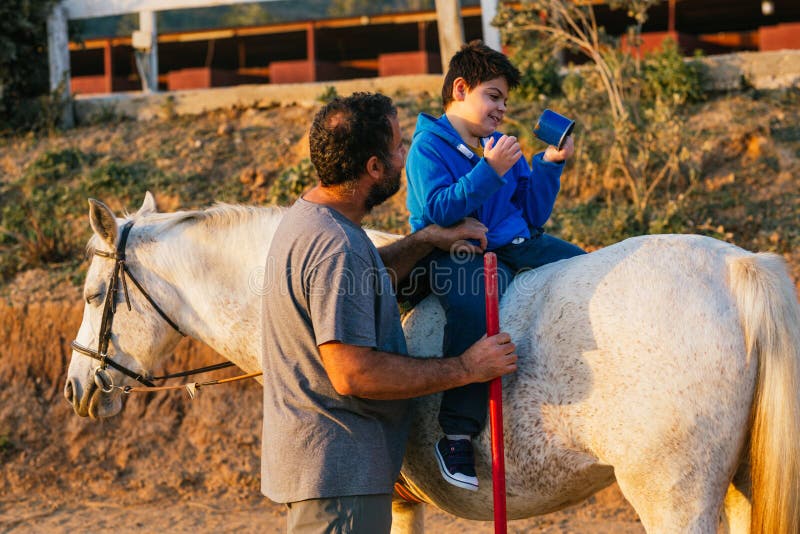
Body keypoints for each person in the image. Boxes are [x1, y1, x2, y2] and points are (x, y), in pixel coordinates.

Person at [261, 92, 518, 534]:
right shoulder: (335, 247)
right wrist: (466, 367)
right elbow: (354, 374)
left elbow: (361, 278)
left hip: (330, 476)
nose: (406, 156)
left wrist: (424, 240)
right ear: (374, 169)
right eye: (398, 148)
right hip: (341, 485)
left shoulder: (311, 220)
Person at [405, 40, 586, 491]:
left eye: (505, 100)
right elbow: (439, 209)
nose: (502, 108)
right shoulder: (429, 145)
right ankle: (457, 435)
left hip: (514, 243)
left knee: (585, 267)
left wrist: (548, 166)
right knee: (474, 304)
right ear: (461, 88)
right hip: (454, 250)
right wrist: (488, 170)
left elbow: (532, 214)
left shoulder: (498, 146)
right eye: (493, 96)